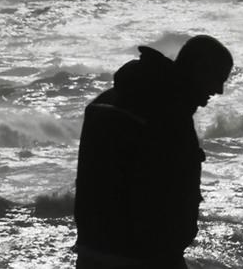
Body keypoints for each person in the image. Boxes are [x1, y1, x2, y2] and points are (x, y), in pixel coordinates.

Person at [74, 35, 233, 269]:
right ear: (199, 70)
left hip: (93, 251)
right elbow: (163, 197)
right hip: (143, 258)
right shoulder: (169, 115)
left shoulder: (111, 99)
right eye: (217, 78)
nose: (219, 90)